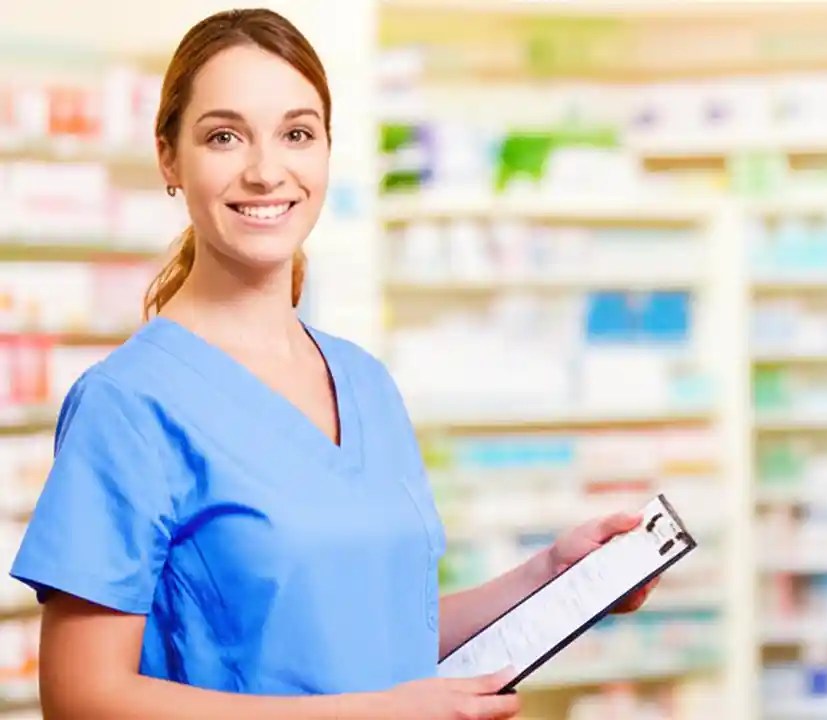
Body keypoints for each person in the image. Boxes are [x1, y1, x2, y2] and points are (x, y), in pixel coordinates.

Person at [8, 8, 656, 720]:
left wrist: (549, 576)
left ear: (324, 151)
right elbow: (83, 697)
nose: (265, 171)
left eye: (296, 134)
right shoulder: (128, 405)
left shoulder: (363, 381)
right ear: (168, 156)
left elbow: (376, 642)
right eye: (224, 136)